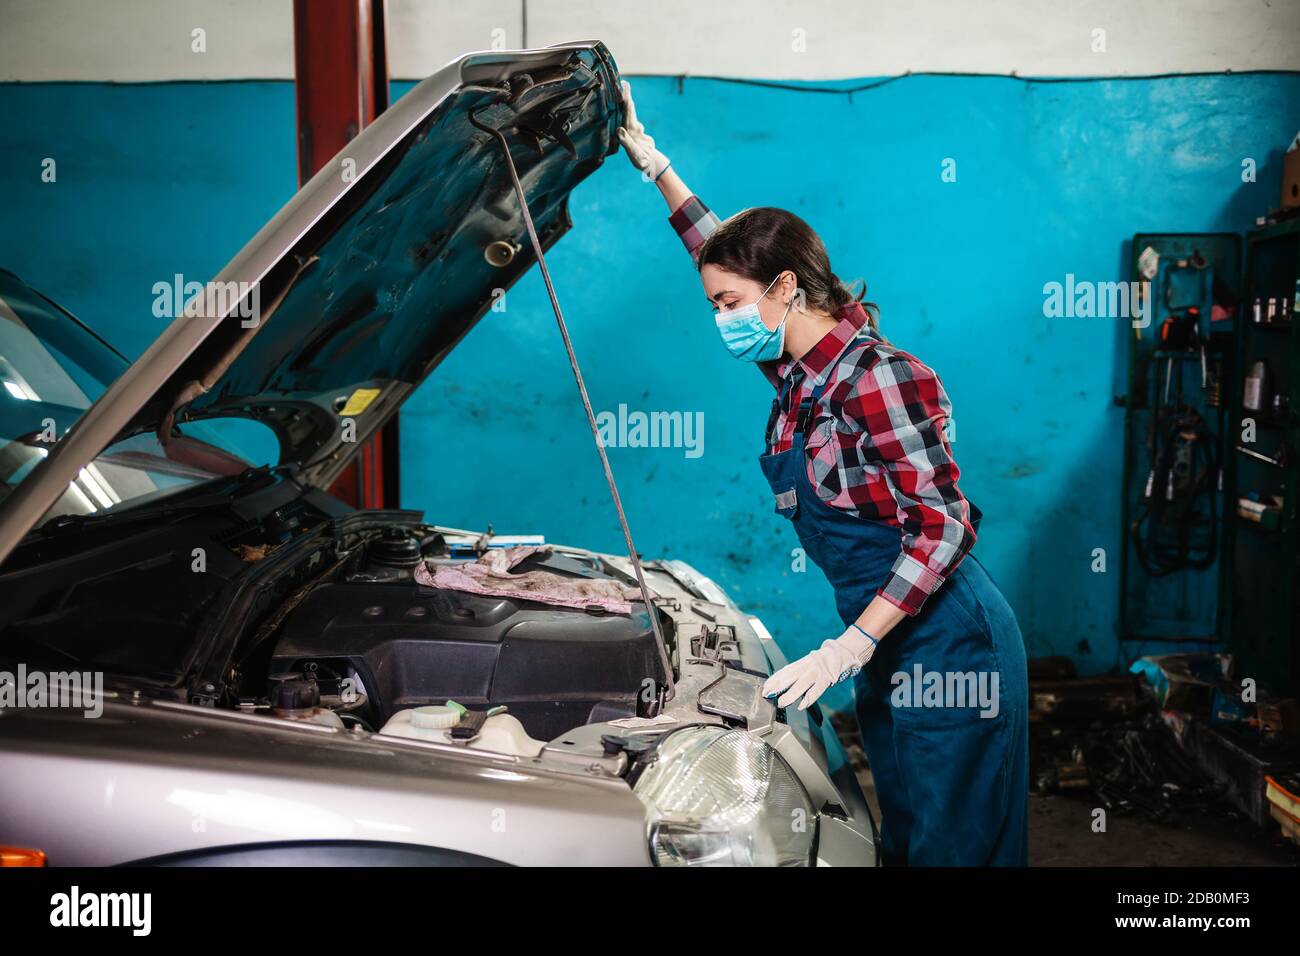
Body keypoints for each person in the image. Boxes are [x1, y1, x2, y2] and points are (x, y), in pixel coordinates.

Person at [616, 83, 1029, 866]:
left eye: (729, 303)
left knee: (957, 842)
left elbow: (944, 524)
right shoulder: (801, 373)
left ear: (785, 290)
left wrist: (849, 648)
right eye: (713, 305)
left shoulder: (876, 376)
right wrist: (658, 167)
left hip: (949, 639)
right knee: (905, 830)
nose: (720, 320)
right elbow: (721, 251)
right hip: (894, 638)